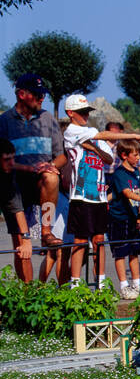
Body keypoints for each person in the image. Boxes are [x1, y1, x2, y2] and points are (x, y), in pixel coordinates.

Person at [63, 94, 140, 289]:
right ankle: (75, 285)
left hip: (100, 196)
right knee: (79, 240)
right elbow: (103, 137)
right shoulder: (71, 131)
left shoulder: (91, 132)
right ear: (70, 113)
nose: (85, 115)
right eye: (81, 112)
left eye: (87, 111)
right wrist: (134, 136)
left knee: (99, 240)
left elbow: (109, 159)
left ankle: (101, 283)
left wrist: (93, 148)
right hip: (81, 194)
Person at [0, 74, 67, 269]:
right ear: (22, 94)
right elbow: (2, 162)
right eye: (37, 94)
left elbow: (62, 156)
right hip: (15, 188)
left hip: (42, 185)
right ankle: (27, 295)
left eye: (42, 94)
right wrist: (30, 168)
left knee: (51, 177)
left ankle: (46, 231)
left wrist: (51, 165)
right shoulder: (4, 121)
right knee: (22, 246)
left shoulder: (48, 118)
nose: (42, 98)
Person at [106, 140, 140, 299]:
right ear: (124, 155)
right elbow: (127, 193)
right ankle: (124, 286)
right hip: (119, 218)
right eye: (135, 154)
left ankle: (137, 284)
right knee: (120, 252)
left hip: (132, 217)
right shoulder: (119, 173)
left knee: (134, 251)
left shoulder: (136, 171)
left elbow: (138, 191)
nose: (138, 157)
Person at [0, 138, 33, 281]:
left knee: (21, 243)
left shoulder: (8, 176)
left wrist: (26, 239)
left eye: (13, 158)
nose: (12, 163)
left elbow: (17, 210)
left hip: (9, 197)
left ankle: (28, 293)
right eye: (7, 159)